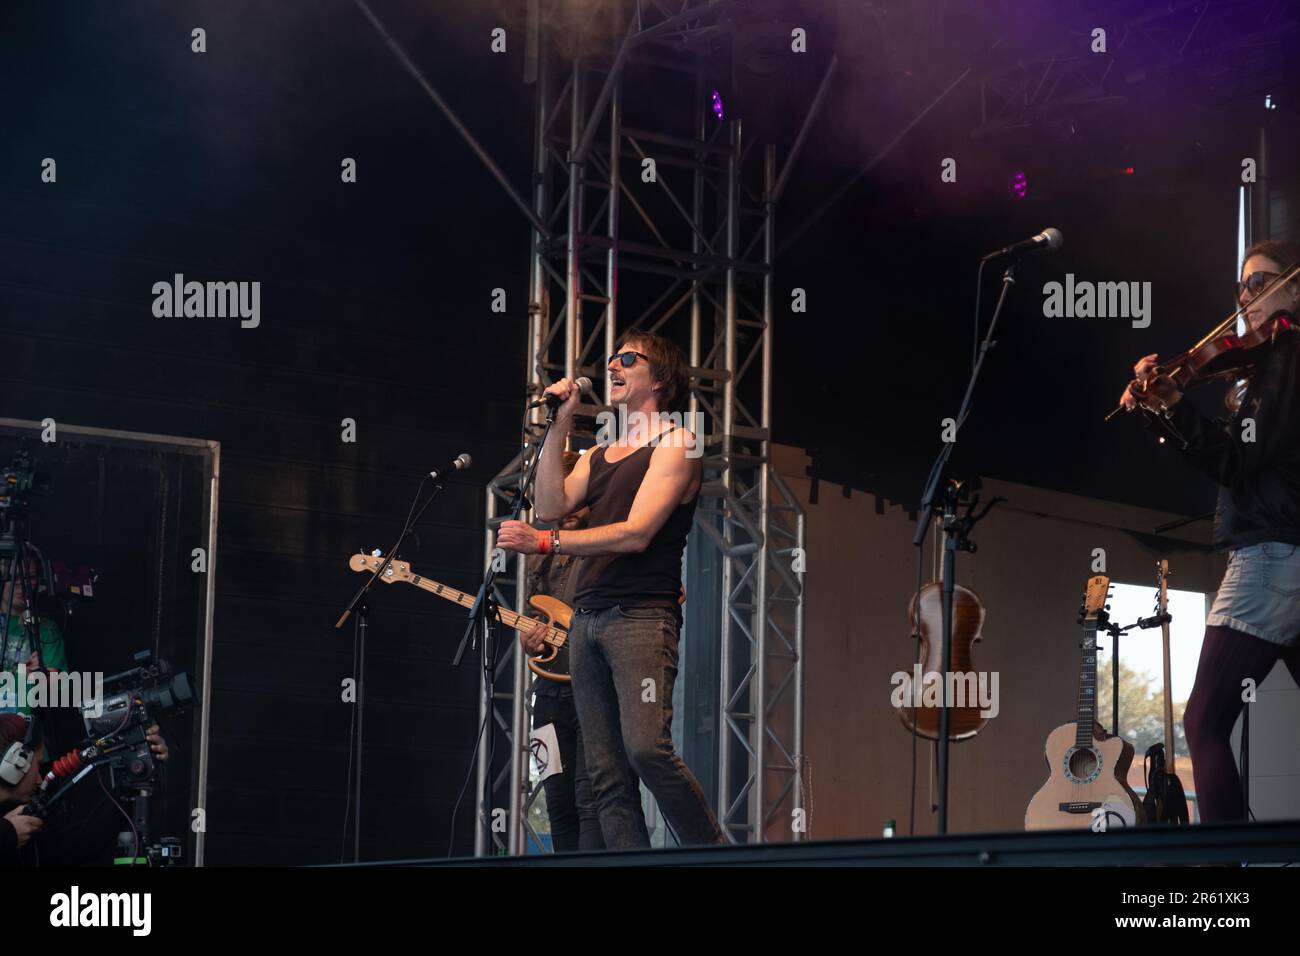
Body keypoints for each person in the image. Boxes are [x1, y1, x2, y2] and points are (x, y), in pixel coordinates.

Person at [497, 328, 724, 848]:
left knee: (645, 749)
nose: (613, 367)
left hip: (642, 616)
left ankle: (712, 855)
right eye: (611, 359)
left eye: (627, 358)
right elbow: (551, 506)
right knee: (605, 775)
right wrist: (561, 424)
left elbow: (637, 532)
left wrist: (547, 543)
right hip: (586, 617)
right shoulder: (600, 454)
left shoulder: (677, 442)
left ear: (661, 378)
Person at [1119, 238, 1300, 822]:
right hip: (1288, 553)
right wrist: (1166, 406)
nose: (1244, 297)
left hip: (1270, 554)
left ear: (1295, 288)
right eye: (1241, 286)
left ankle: (1226, 872)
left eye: (1260, 282)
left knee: (1203, 721)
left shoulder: (1286, 358)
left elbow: (1235, 463)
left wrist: (1173, 406)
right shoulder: (1269, 362)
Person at [517, 450, 607, 851]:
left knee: (591, 797)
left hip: (598, 692)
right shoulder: (541, 558)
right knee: (556, 796)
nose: (564, 507)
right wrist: (528, 639)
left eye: (573, 495)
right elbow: (529, 626)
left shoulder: (608, 545)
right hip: (548, 694)